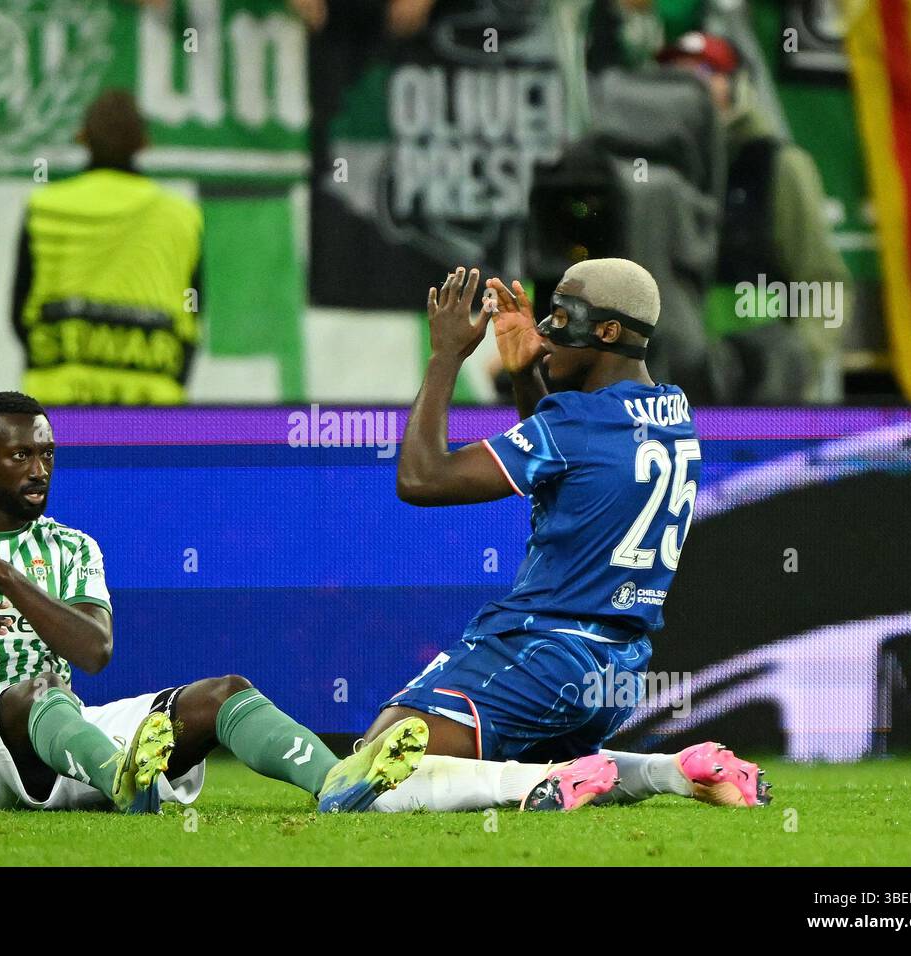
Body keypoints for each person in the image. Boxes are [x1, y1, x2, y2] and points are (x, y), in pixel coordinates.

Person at [0, 391, 427, 814]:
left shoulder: (72, 548)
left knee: (223, 693)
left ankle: (335, 781)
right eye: (20, 456)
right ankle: (123, 776)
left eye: (47, 454)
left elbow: (94, 651)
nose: (39, 470)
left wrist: (6, 576)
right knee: (41, 692)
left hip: (67, 735)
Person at [353, 260, 770, 812]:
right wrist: (527, 375)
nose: (545, 330)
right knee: (516, 764)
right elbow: (563, 473)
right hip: (618, 669)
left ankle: (536, 789)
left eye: (562, 315)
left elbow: (422, 479)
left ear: (608, 331)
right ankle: (671, 771)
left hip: (541, 653)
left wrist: (447, 356)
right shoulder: (674, 412)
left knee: (371, 773)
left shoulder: (577, 422)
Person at [659, 32, 851, 403]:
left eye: (703, 73)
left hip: (759, 392)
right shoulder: (651, 173)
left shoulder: (779, 166)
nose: (687, 88)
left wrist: (796, 360)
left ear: (735, 85)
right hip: (673, 391)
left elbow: (824, 281)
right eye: (672, 77)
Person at [11, 89, 202, 405]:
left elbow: (20, 313)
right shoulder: (182, 216)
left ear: (82, 137)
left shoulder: (45, 207)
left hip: (58, 404)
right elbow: (193, 314)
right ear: (145, 143)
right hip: (151, 406)